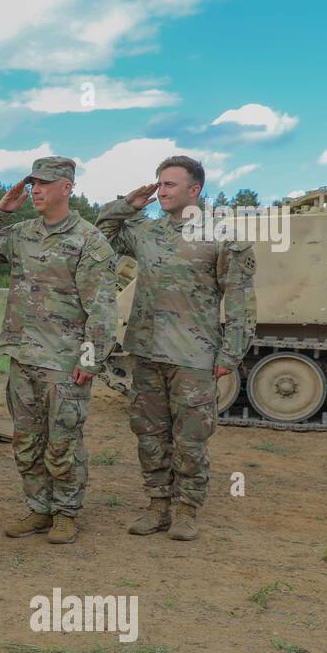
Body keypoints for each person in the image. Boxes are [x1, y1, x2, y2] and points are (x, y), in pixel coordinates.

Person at [96, 156, 257, 540]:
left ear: (194, 190)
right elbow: (102, 233)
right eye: (159, 183)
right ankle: (158, 506)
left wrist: (230, 354)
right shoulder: (147, 233)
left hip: (193, 356)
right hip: (147, 352)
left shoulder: (223, 237)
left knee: (191, 438)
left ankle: (187, 510)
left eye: (169, 184)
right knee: (149, 434)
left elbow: (240, 302)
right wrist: (128, 205)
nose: (161, 191)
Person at [0, 157, 118, 544]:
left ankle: (66, 513)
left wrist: (91, 358)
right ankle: (39, 508)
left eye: (45, 183)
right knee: (26, 441)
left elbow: (101, 306)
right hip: (24, 356)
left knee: (63, 441)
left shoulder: (89, 241)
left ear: (67, 188)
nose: (36, 189)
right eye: (33, 183)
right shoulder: (21, 234)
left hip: (64, 363)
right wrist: (1, 210)